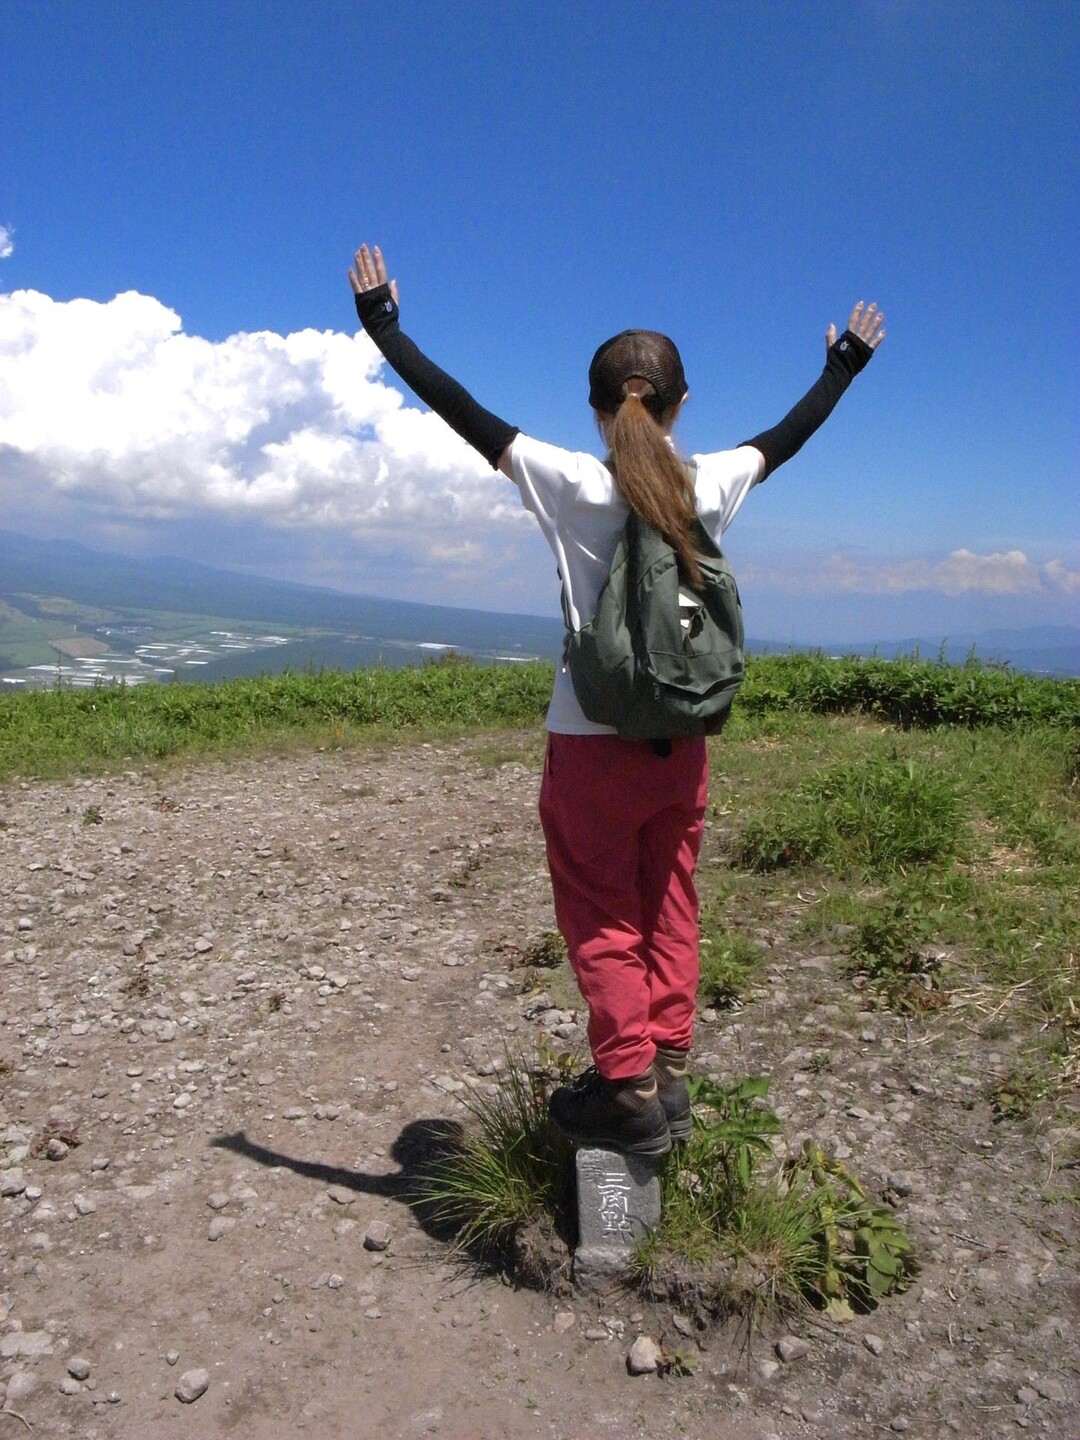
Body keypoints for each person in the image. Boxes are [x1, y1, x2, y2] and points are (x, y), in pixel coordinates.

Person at [349, 244, 885, 1158]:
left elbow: (461, 411)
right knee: (670, 899)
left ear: (598, 412)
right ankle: (667, 1068)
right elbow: (788, 436)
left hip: (589, 741)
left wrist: (385, 328)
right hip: (682, 737)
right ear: (680, 407)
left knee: (601, 911)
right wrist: (842, 366)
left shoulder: (569, 482)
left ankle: (628, 1087)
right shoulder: (709, 481)